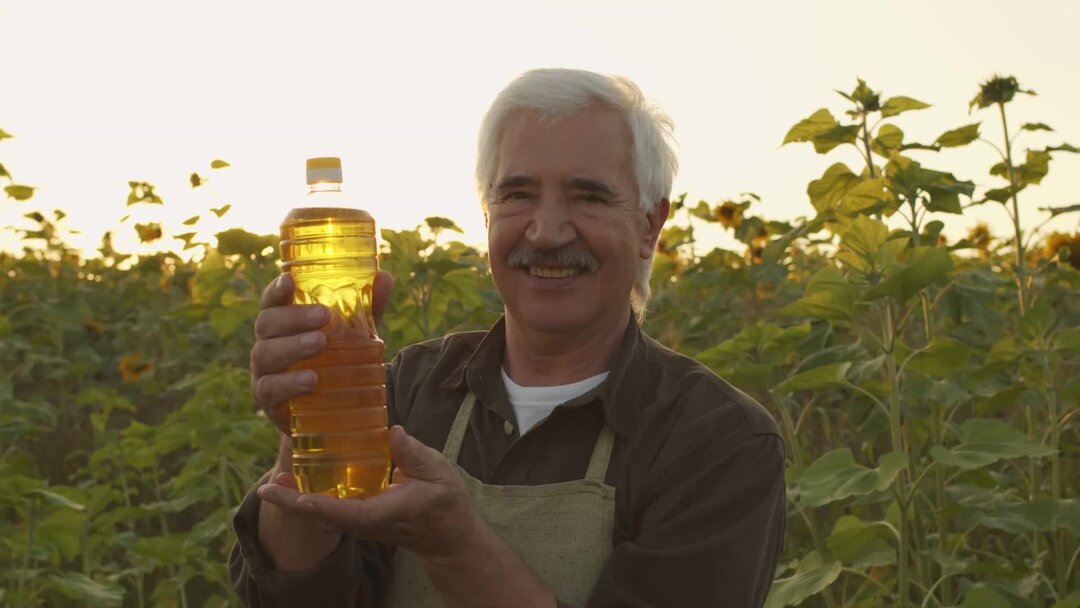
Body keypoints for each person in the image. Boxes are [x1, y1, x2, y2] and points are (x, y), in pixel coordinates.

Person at [230, 67, 786, 607]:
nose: (546, 232)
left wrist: (455, 546)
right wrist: (307, 428)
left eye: (588, 196)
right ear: (487, 215)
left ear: (649, 226)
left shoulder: (716, 442)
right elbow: (296, 597)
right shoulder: (406, 391)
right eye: (517, 195)